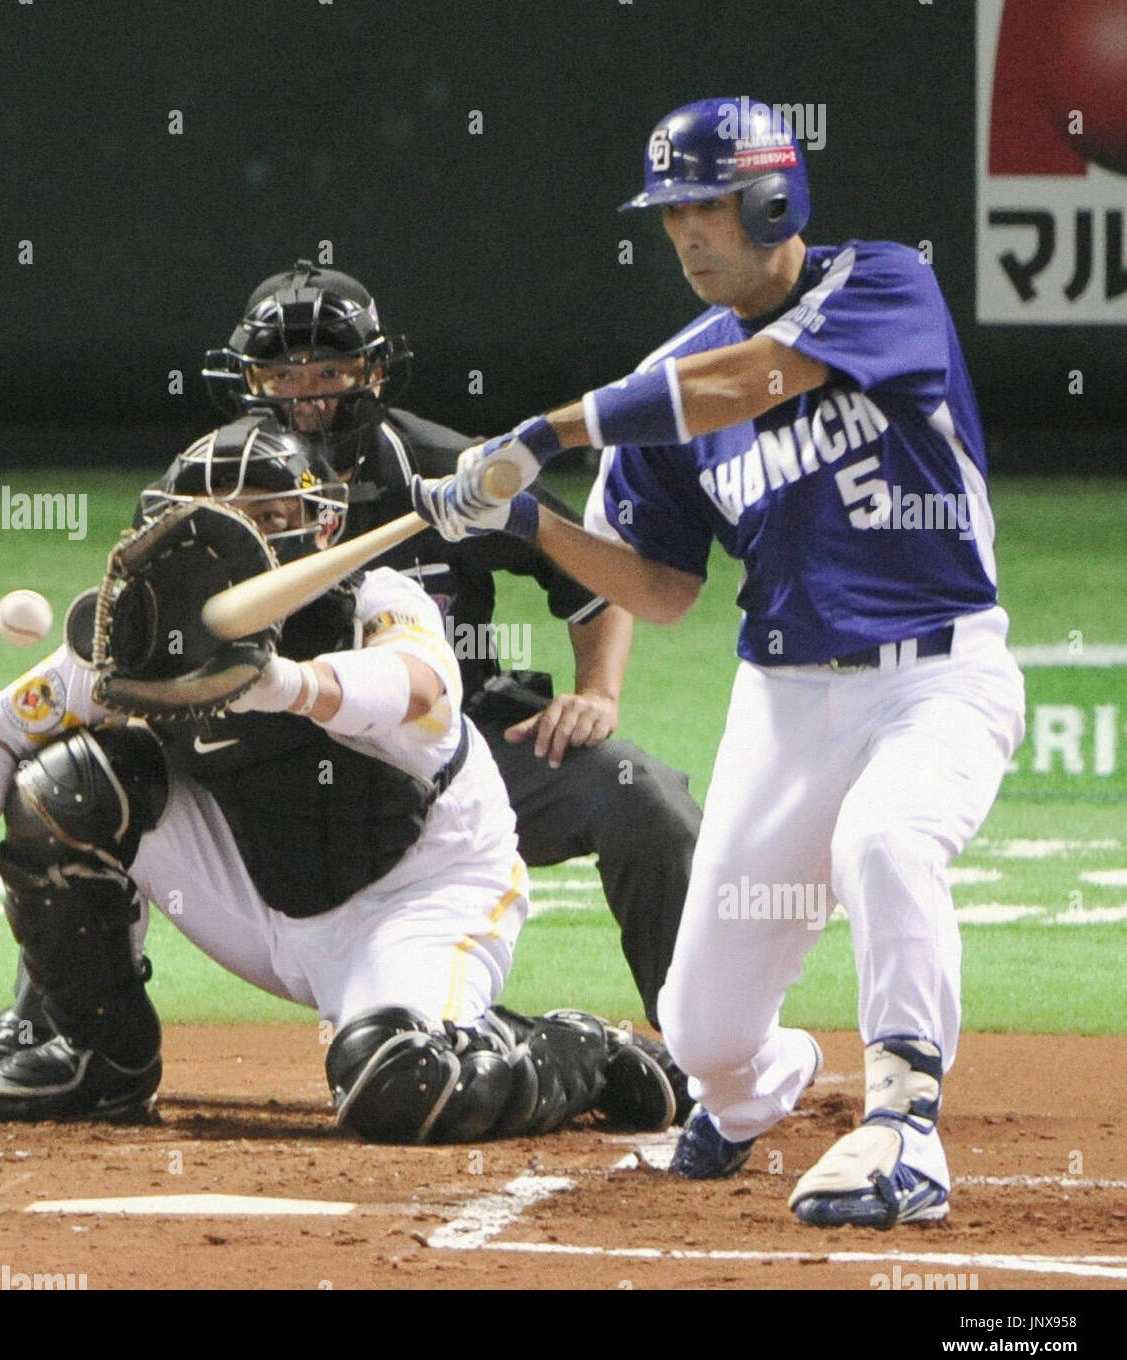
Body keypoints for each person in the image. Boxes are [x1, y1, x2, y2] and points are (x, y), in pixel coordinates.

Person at [411, 97, 1026, 1225]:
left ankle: (903, 1130)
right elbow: (661, 589)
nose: (688, 235)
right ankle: (756, 1090)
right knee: (701, 1030)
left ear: (774, 198)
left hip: (938, 676)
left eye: (707, 206)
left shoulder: (881, 285)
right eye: (670, 216)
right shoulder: (666, 383)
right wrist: (524, 519)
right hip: (786, 702)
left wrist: (543, 433)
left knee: (888, 840)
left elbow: (750, 382)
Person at [0, 260, 702, 1109]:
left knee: (645, 801)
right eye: (282, 375)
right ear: (246, 382)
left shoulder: (445, 472)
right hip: (253, 754)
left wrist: (596, 692)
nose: (307, 394)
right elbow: (45, 711)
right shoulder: (216, 485)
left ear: (373, 372)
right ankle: (61, 1024)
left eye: (330, 372)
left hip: (445, 737)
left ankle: (696, 1048)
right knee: (84, 774)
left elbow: (591, 581)